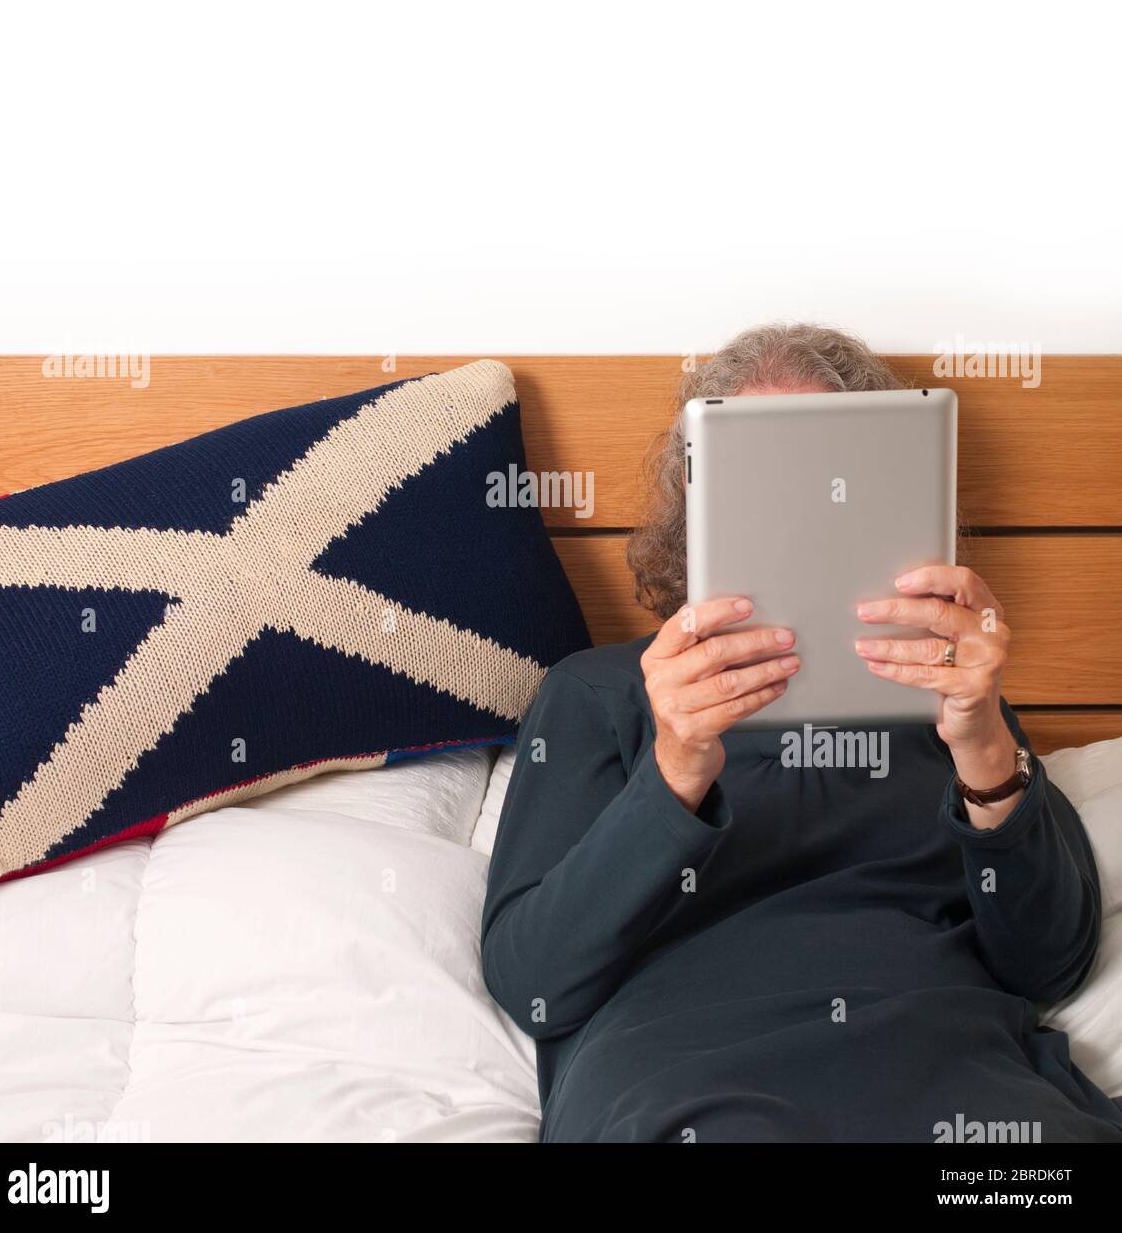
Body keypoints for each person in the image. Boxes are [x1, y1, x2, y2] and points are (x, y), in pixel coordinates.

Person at [480, 322, 1122, 1143]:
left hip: (947, 1069)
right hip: (682, 1073)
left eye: (831, 482)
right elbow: (534, 981)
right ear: (693, 508)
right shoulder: (601, 692)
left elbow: (1050, 963)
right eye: (762, 487)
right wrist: (674, 773)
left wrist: (984, 744)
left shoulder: (952, 695)